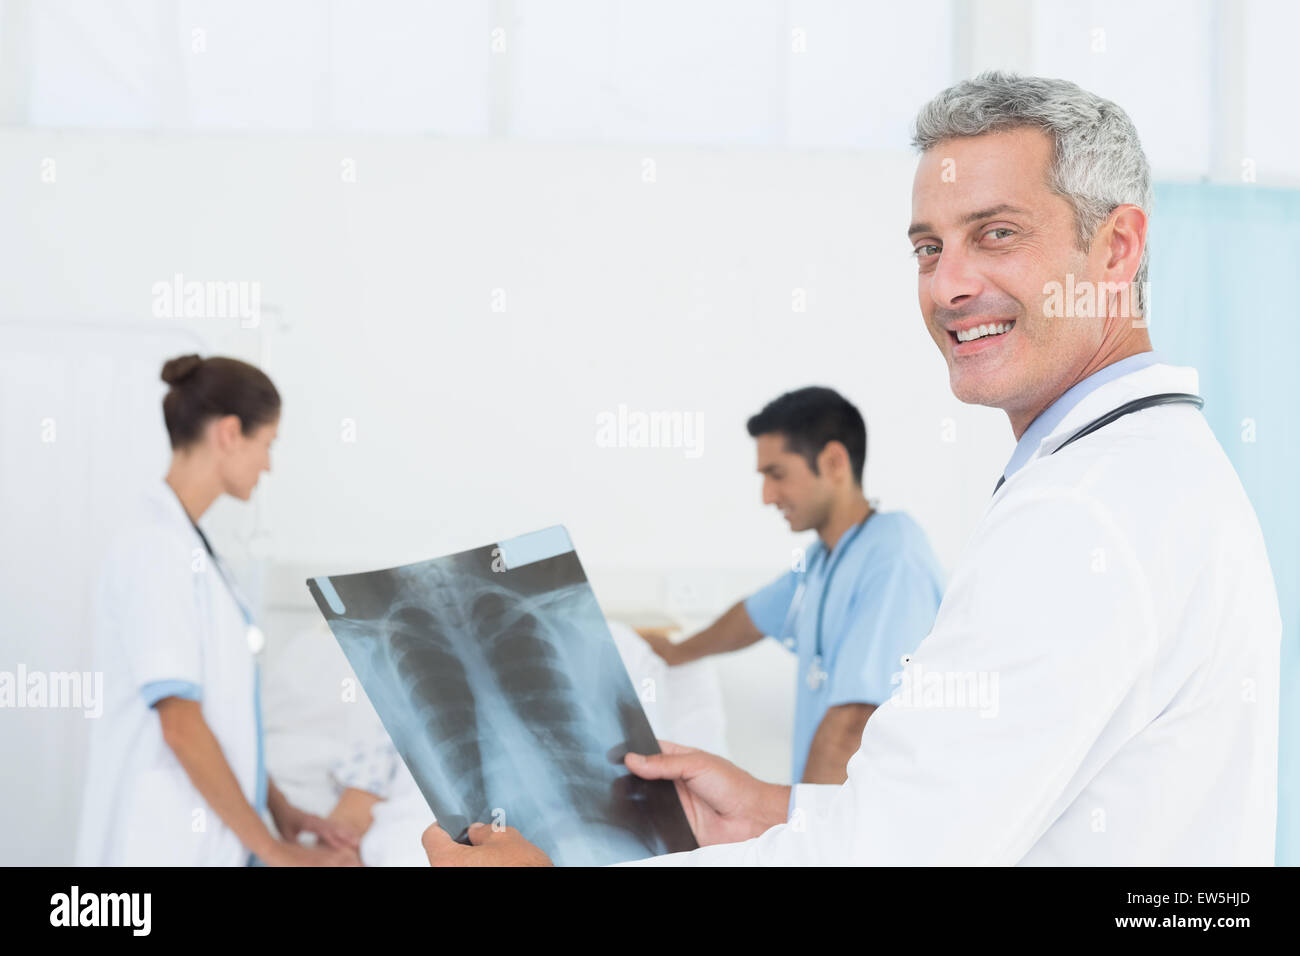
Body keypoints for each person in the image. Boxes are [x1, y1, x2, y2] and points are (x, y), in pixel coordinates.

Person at [422, 72, 1281, 866]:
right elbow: (941, 816)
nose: (949, 285)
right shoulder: (1143, 475)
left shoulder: (1083, 514)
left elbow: (891, 857)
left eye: (997, 235)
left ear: (1118, 250)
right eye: (927, 249)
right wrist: (774, 809)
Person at [75, 354, 360, 866]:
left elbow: (223, 721)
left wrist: (280, 809)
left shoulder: (192, 552)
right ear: (230, 433)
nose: (268, 464)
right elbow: (182, 725)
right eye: (267, 444)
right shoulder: (154, 548)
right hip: (157, 845)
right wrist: (273, 849)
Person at [636, 387, 944, 784]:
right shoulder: (821, 561)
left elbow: (853, 724)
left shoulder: (894, 555)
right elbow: (749, 618)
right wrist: (677, 652)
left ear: (833, 462)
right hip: (829, 813)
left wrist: (801, 834)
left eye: (777, 475)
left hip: (867, 825)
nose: (767, 496)